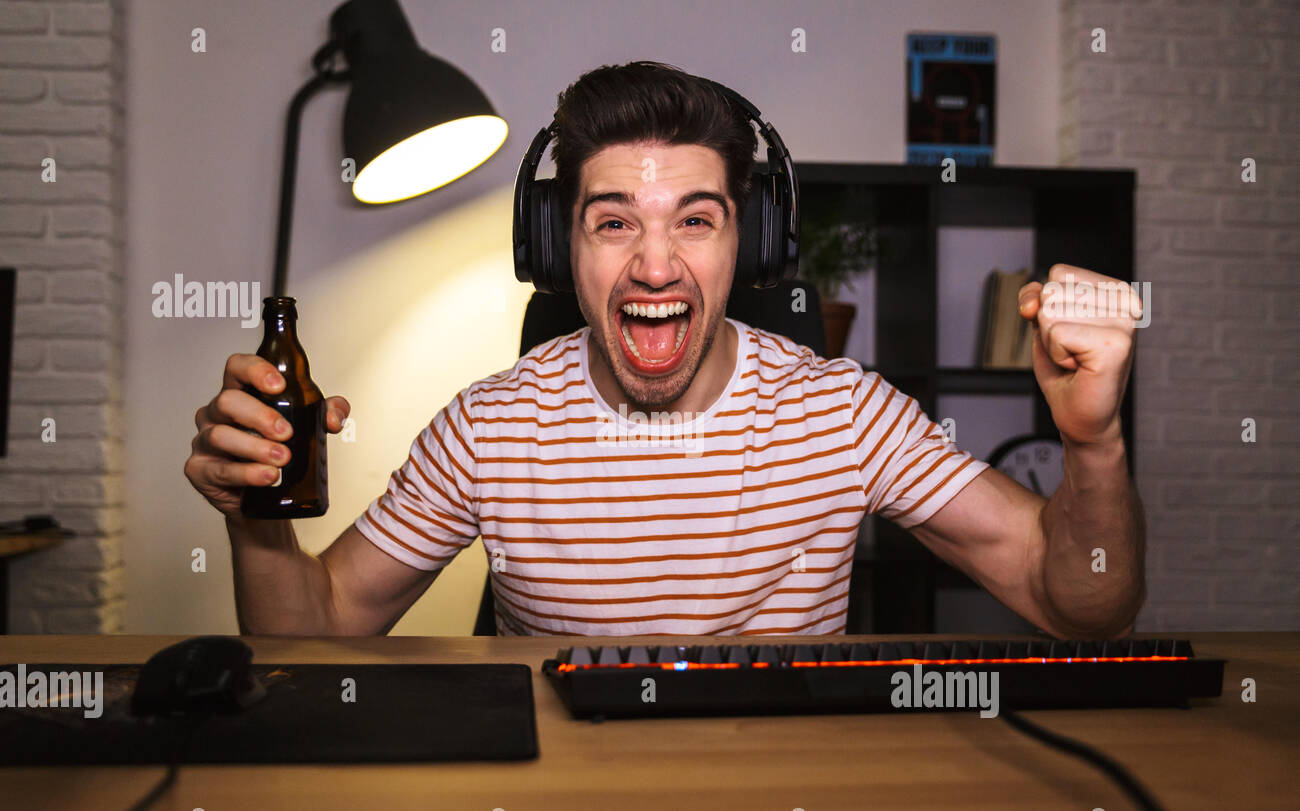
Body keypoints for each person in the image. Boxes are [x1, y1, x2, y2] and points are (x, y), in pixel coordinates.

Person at [184, 61, 1145, 639]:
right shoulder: (489, 426)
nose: (655, 265)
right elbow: (309, 636)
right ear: (560, 247)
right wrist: (254, 516)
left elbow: (1081, 608)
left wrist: (1094, 444)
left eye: (696, 219)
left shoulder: (844, 414)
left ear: (754, 244)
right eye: (613, 223)